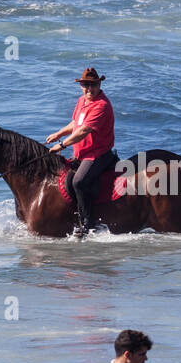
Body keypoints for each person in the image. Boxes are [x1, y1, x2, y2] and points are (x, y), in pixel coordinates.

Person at [46, 67, 116, 238]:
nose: (88, 89)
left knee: (79, 181)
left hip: (98, 154)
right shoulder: (81, 101)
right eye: (85, 85)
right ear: (80, 86)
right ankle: (75, 216)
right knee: (64, 178)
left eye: (92, 85)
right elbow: (75, 123)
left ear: (99, 85)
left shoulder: (102, 106)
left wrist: (61, 145)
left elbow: (83, 131)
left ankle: (89, 224)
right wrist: (58, 134)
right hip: (82, 154)